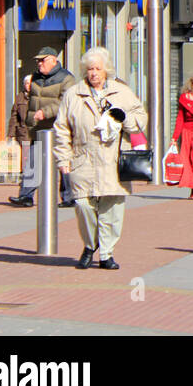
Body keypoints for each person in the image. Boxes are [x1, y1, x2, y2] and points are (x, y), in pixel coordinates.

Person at [52, 47, 147, 270]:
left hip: (113, 159)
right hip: (82, 158)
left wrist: (124, 118)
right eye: (90, 69)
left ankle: (106, 254)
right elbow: (62, 128)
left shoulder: (121, 91)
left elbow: (140, 118)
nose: (93, 73)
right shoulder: (73, 94)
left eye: (98, 68)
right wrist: (63, 158)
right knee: (83, 205)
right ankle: (90, 244)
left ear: (106, 71)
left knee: (111, 208)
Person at [8, 48, 76, 208]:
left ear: (53, 60)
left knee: (63, 161)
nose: (39, 63)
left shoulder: (67, 79)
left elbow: (66, 102)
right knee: (33, 161)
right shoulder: (36, 77)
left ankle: (69, 197)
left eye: (42, 60)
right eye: (38, 61)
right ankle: (26, 196)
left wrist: (45, 112)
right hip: (38, 129)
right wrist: (29, 120)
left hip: (59, 128)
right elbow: (31, 100)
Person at [6, 75, 32, 193]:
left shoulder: (37, 97)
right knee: (26, 158)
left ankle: (29, 181)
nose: (29, 86)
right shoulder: (20, 97)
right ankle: (25, 181)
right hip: (23, 133)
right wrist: (11, 133)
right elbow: (14, 116)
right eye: (27, 83)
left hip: (34, 133)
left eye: (31, 83)